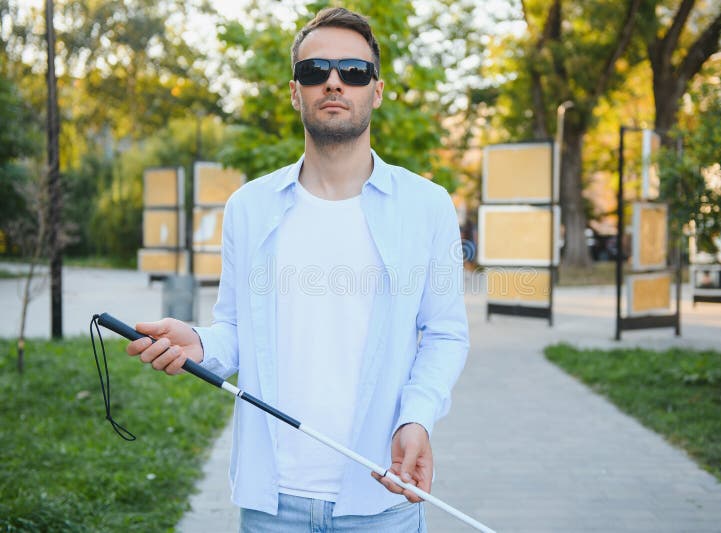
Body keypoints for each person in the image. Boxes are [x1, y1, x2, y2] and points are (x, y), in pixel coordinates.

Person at [125, 7, 468, 532]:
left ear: (376, 90)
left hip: (383, 498)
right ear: (295, 91)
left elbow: (445, 333)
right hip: (272, 504)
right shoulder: (249, 207)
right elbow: (236, 330)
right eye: (316, 71)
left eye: (353, 71)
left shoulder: (427, 206)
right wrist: (200, 343)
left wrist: (415, 418)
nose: (334, 82)